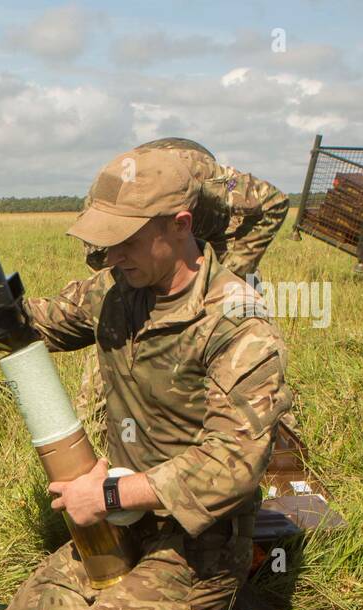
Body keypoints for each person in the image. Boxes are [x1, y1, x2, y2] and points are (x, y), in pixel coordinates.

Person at [0, 151, 293, 610]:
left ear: (179, 226)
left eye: (126, 241)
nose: (110, 256)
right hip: (117, 530)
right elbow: (20, 326)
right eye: (105, 242)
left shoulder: (239, 327)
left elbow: (232, 466)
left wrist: (109, 496)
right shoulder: (119, 293)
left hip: (197, 549)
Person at [75, 139, 290, 423]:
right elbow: (97, 257)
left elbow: (274, 202)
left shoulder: (207, 180)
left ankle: (277, 438)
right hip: (155, 258)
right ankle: (97, 428)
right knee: (112, 350)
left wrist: (231, 273)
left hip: (219, 255)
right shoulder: (107, 195)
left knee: (249, 351)